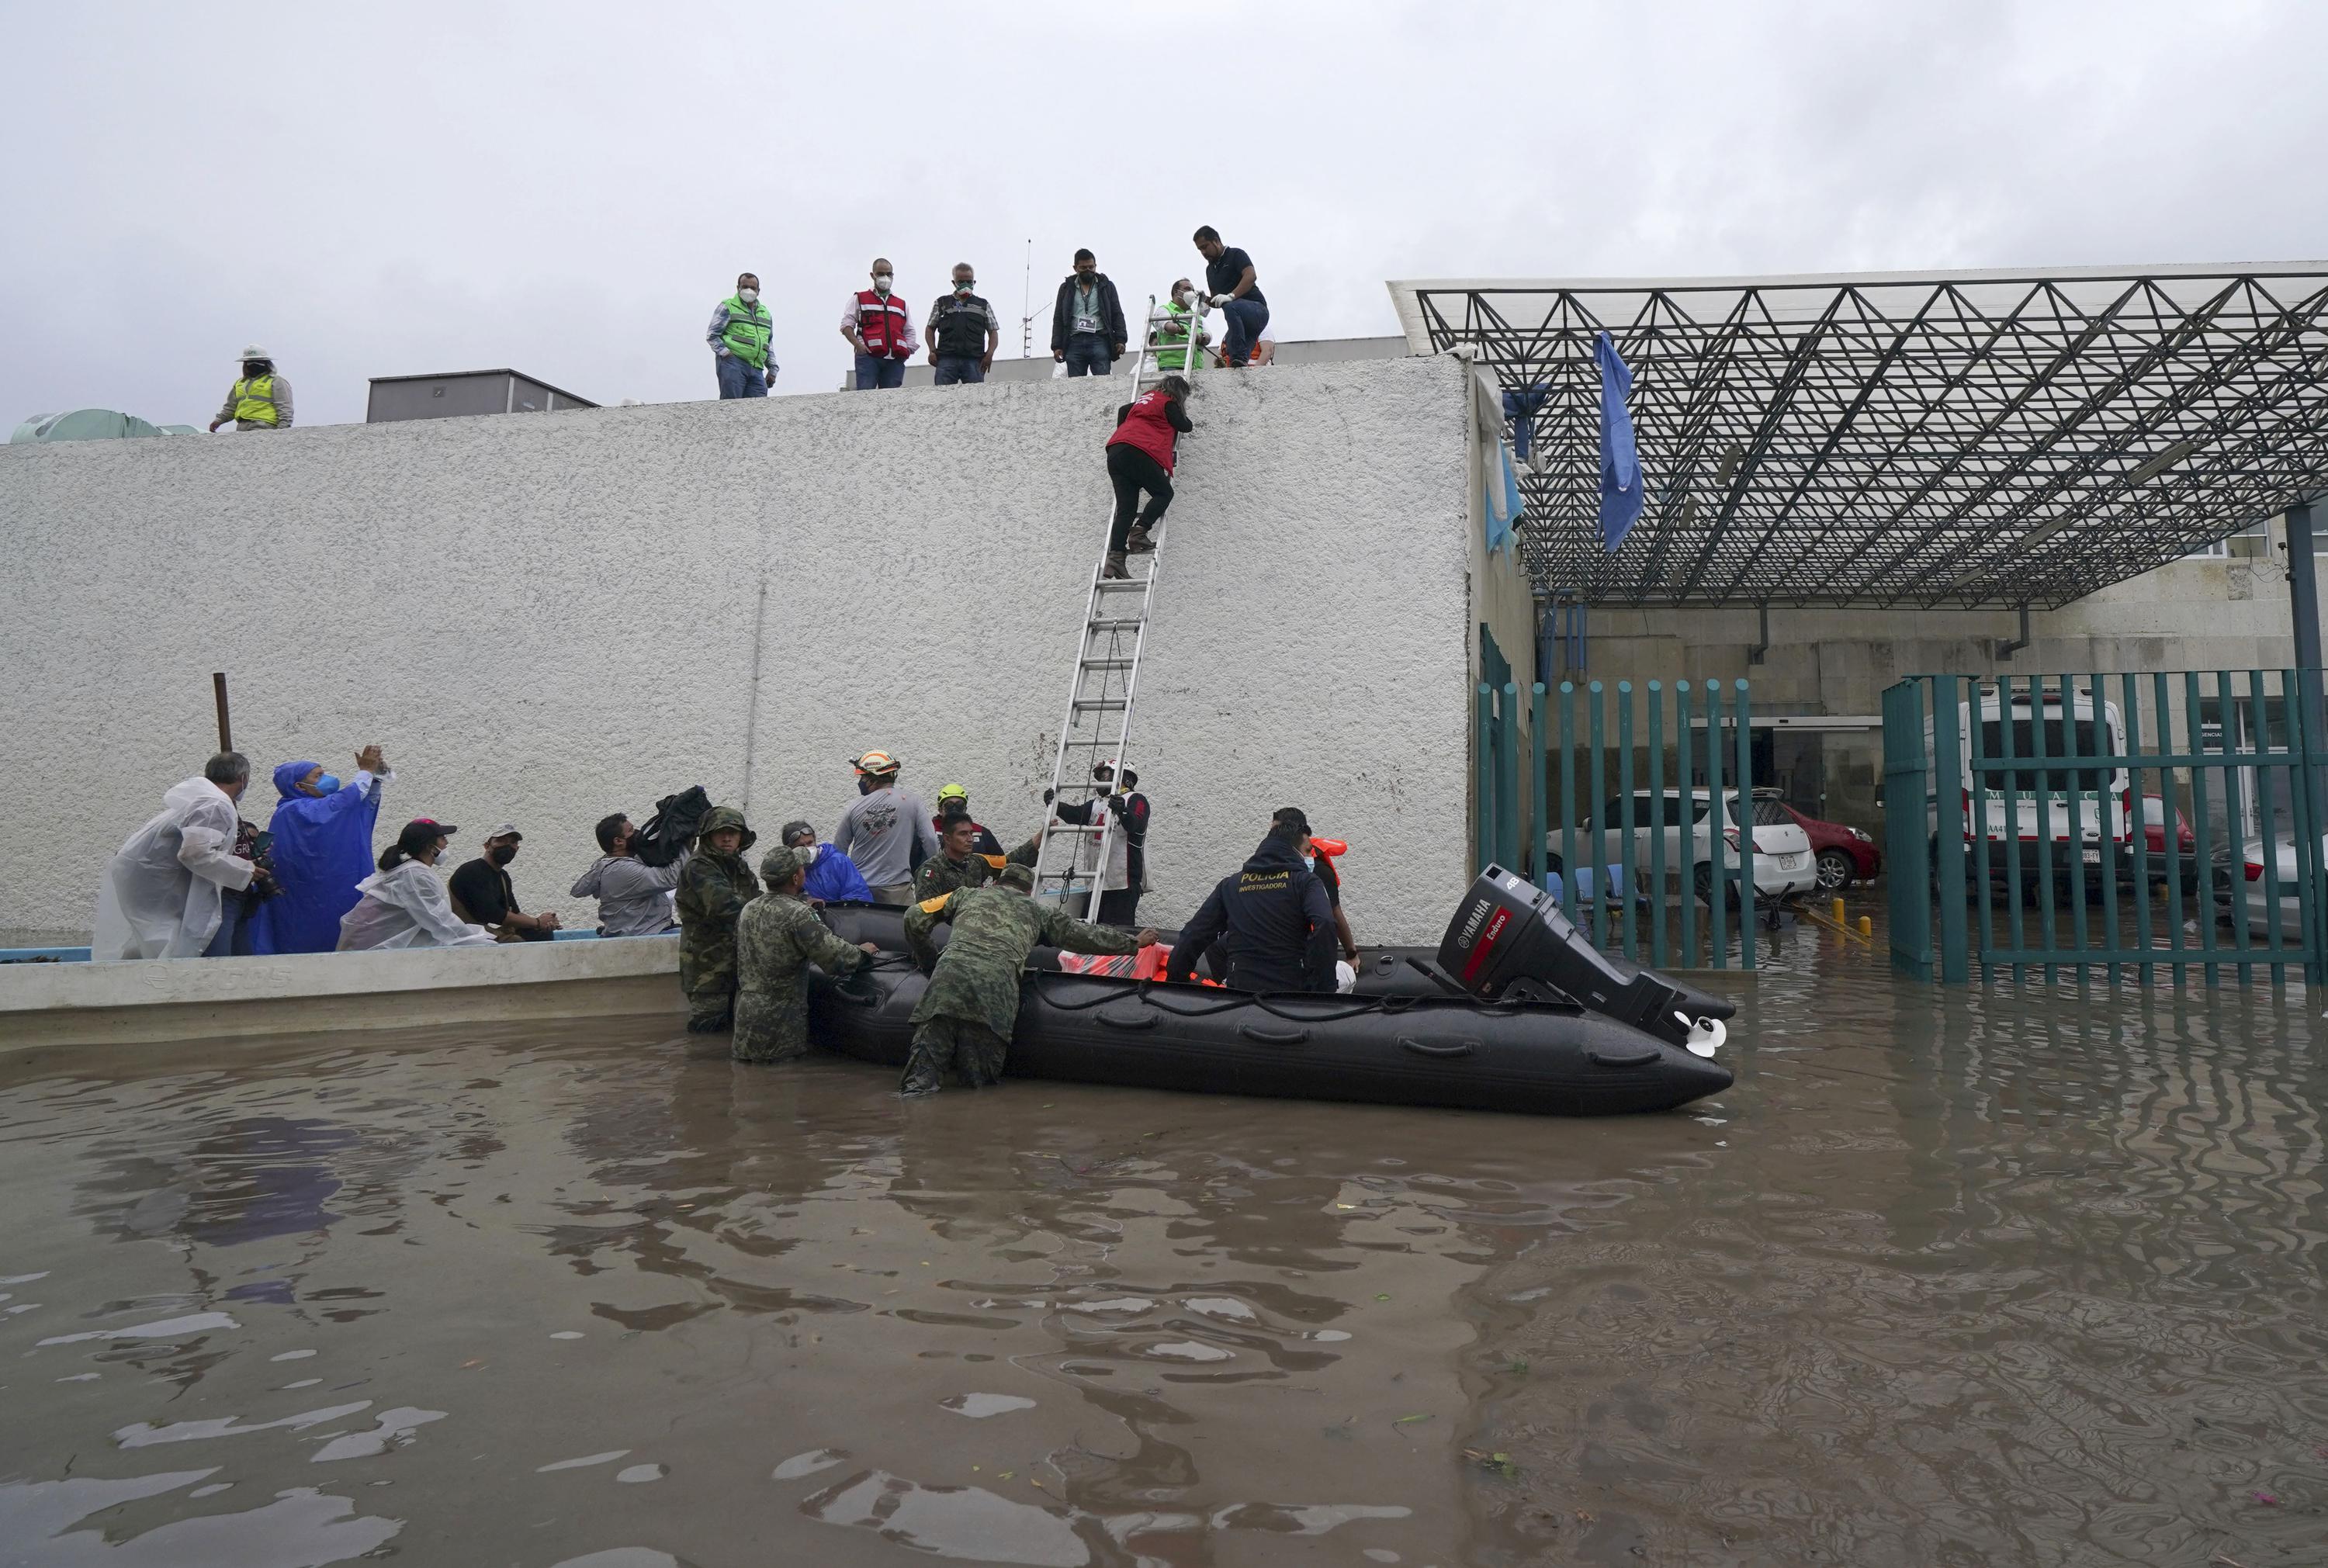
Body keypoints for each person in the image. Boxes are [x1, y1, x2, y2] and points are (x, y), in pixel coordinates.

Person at [899, 863, 1155, 1094]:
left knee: (917, 1087)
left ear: (996, 883)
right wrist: (1133, 943)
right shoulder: (1038, 911)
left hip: (944, 986)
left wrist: (929, 961)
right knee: (977, 1091)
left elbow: (913, 917)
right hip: (993, 996)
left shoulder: (966, 894)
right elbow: (1083, 935)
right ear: (1029, 891)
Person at [91, 752, 260, 961]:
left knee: (160, 947)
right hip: (159, 886)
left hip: (148, 883)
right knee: (183, 953)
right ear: (243, 778)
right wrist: (246, 870)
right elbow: (195, 853)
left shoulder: (202, 800)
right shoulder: (214, 805)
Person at [732, 844, 880, 1064]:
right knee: (782, 1090)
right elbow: (836, 958)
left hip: (745, 1019)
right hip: (780, 1025)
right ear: (795, 878)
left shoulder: (749, 908)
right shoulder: (799, 914)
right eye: (802, 869)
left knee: (749, 1086)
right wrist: (863, 952)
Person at [248, 748, 393, 955]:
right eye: (319, 776)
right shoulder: (293, 811)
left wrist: (375, 777)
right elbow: (343, 802)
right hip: (306, 900)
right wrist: (365, 772)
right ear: (299, 786)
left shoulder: (314, 807)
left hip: (330, 892)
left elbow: (358, 805)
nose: (327, 779)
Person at [1166, 820, 1336, 992]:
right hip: (1290, 995)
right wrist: (1323, 990)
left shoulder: (1231, 885)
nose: (1310, 858)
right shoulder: (1305, 882)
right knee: (1346, 973)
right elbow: (1325, 923)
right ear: (1292, 850)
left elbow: (1195, 933)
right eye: (1308, 851)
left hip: (1241, 993)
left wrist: (1177, 979)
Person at [337, 819, 497, 951]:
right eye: (443, 838)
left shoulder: (410, 871)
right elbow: (439, 921)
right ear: (430, 847)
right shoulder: (415, 876)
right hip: (368, 955)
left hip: (368, 951)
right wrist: (481, 944)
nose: (446, 843)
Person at [674, 805, 757, 1032]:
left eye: (734, 832)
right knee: (707, 1034)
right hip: (707, 968)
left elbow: (754, 898)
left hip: (736, 964)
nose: (728, 838)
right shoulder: (699, 867)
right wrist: (776, 912)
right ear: (708, 835)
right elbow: (727, 905)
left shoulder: (738, 866)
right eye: (721, 832)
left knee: (730, 1033)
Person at [1102, 376, 1192, 578]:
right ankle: (1139, 532)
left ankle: (1115, 559)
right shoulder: (1168, 404)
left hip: (1116, 451)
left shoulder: (1146, 399)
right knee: (1164, 493)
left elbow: (1123, 410)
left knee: (1126, 510)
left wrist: (1125, 433)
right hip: (1139, 450)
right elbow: (1185, 426)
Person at [1048, 761, 1149, 926]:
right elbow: (1075, 815)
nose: (1099, 782)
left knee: (1118, 935)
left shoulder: (1136, 799)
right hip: (1096, 882)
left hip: (1122, 885)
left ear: (1124, 778)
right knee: (1089, 933)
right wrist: (1055, 805)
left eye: (1104, 776)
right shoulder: (1096, 803)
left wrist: (1122, 810)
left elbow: (1135, 824)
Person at [832, 751, 939, 904]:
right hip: (897, 889)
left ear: (872, 778)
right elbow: (930, 841)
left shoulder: (854, 807)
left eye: (863, 777)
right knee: (901, 927)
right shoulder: (913, 801)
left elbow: (838, 851)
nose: (861, 781)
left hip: (860, 888)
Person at [571, 813, 689, 936]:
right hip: (642, 936)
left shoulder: (621, 862)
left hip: (646, 931)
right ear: (618, 841)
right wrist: (684, 843)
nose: (637, 833)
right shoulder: (620, 870)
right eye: (631, 830)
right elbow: (672, 877)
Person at [448, 824, 562, 943]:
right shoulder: (472, 871)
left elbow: (514, 913)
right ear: (487, 846)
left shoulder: (503, 876)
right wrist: (537, 922)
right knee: (515, 941)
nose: (508, 846)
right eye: (501, 841)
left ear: (517, 849)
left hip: (482, 932)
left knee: (541, 934)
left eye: (513, 842)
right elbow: (494, 914)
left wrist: (544, 922)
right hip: (464, 933)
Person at [1273, 806, 1358, 963]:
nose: (1273, 837)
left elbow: (1334, 913)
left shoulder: (1319, 870)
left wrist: (1351, 954)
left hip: (1308, 952)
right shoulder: (1267, 865)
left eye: (1278, 831)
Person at [1193, 226, 1269, 369]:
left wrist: (1231, 296)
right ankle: (1239, 362)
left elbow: (1251, 276)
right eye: (1200, 250)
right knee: (1237, 364)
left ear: (1216, 241)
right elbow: (1217, 301)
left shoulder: (1236, 254)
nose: (1203, 252)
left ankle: (1238, 356)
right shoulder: (1210, 270)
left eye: (1205, 247)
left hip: (1257, 311)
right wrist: (1204, 299)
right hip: (1240, 322)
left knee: (1230, 306)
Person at [841, 258, 918, 390]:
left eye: (889, 274)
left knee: (891, 401)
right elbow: (846, 325)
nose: (885, 278)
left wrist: (907, 351)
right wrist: (858, 346)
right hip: (868, 358)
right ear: (873, 275)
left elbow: (909, 330)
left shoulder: (901, 304)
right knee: (866, 396)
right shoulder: (859, 298)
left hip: (895, 360)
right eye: (881, 274)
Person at [1050, 249, 1128, 377]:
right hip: (1074, 341)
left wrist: (1121, 339)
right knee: (1076, 384)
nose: (1088, 270)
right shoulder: (1066, 288)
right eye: (1083, 267)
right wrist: (1057, 346)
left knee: (1103, 381)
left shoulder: (1106, 286)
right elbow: (1058, 318)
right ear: (1075, 268)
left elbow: (1117, 314)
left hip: (1100, 339)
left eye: (1091, 267)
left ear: (1095, 266)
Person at [925, 263, 1000, 386]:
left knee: (975, 398)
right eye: (961, 282)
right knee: (943, 396)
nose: (965, 285)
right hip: (946, 359)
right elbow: (930, 328)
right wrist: (932, 351)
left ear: (974, 282)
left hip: (974, 360)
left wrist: (989, 354)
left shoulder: (983, 304)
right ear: (954, 282)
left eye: (969, 281)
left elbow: (993, 331)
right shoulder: (942, 303)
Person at [708, 272, 777, 399]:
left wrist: (773, 369)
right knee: (732, 407)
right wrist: (726, 354)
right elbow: (712, 335)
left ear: (758, 291)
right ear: (738, 288)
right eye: (745, 287)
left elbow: (768, 343)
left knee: (758, 409)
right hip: (734, 364)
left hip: (757, 368)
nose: (749, 290)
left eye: (753, 288)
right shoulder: (728, 306)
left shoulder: (765, 314)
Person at [781, 820, 875, 904]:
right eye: (801, 846)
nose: (807, 849)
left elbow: (858, 896)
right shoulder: (788, 871)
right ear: (790, 849)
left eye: (810, 843)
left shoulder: (839, 862)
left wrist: (828, 909)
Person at [209, 346, 293, 432]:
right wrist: (218, 421)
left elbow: (285, 407)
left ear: (266, 363)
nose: (253, 365)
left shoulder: (276, 381)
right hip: (242, 427)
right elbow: (230, 408)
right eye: (250, 362)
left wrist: (282, 431)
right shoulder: (240, 383)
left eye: (257, 362)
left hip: (265, 426)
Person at [914, 815, 992, 901]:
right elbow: (926, 910)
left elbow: (1004, 864)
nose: (970, 839)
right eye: (963, 834)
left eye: (971, 833)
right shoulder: (932, 870)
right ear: (947, 839)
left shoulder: (976, 862)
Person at [929, 784, 1006, 857]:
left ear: (965, 809)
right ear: (940, 810)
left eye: (959, 805)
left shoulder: (981, 832)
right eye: (949, 805)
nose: (954, 809)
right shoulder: (929, 831)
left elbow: (1000, 862)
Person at [1151, 280, 1211, 372]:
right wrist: (1177, 329)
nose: (1191, 292)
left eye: (1193, 290)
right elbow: (1166, 325)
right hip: (1172, 366)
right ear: (1176, 292)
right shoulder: (1164, 310)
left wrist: (1201, 337)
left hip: (1196, 367)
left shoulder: (1196, 315)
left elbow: (1208, 335)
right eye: (1187, 289)